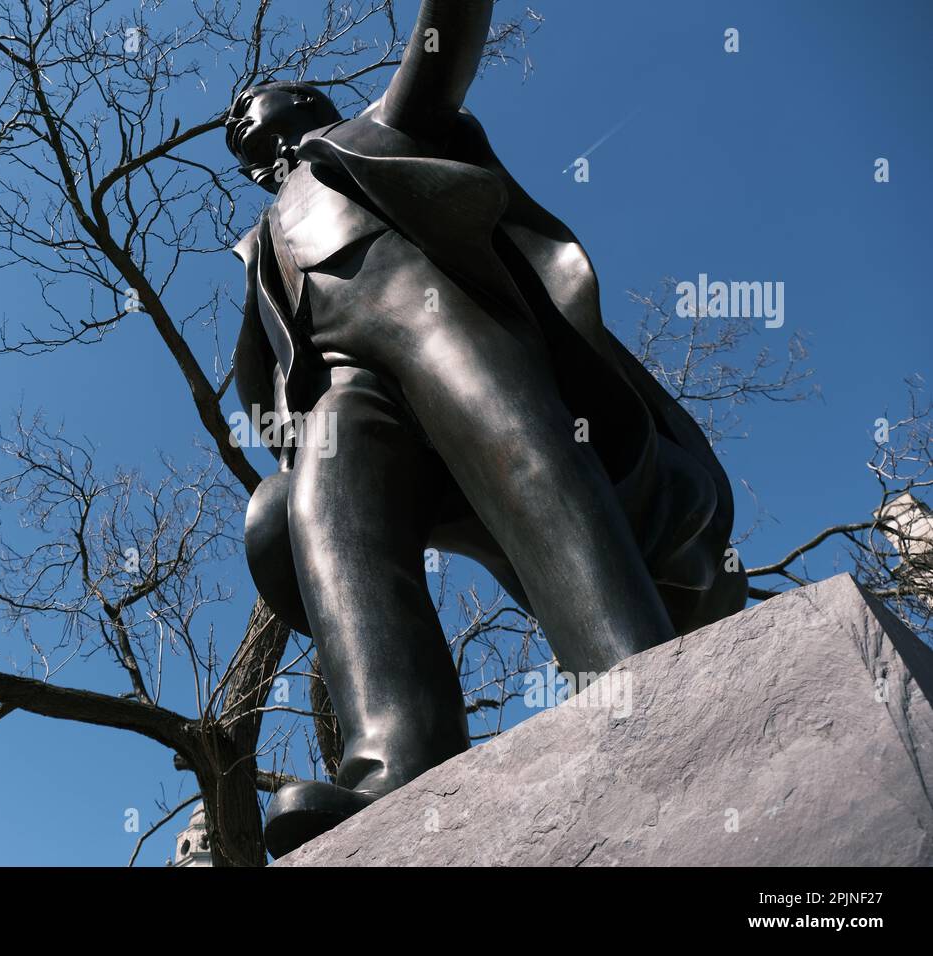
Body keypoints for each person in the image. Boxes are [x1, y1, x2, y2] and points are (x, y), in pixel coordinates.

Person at [225, 0, 748, 858]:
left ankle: (632, 679)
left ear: (306, 103)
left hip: (437, 317)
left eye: (252, 104)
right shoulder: (258, 244)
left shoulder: (377, 130)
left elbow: (450, 35)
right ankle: (395, 758)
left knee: (529, 464)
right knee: (323, 518)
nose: (239, 123)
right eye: (233, 129)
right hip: (340, 388)